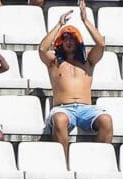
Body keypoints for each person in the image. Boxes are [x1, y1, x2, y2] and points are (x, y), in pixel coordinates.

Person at [40, 3, 110, 151]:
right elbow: (42, 49)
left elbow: (101, 44)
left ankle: (100, 160)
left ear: (78, 41)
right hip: (63, 108)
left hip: (86, 109)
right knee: (59, 119)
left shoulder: (88, 60)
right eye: (65, 38)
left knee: (106, 120)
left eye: (72, 38)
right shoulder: (54, 62)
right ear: (60, 42)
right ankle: (63, 162)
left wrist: (85, 20)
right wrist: (59, 24)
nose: (69, 41)